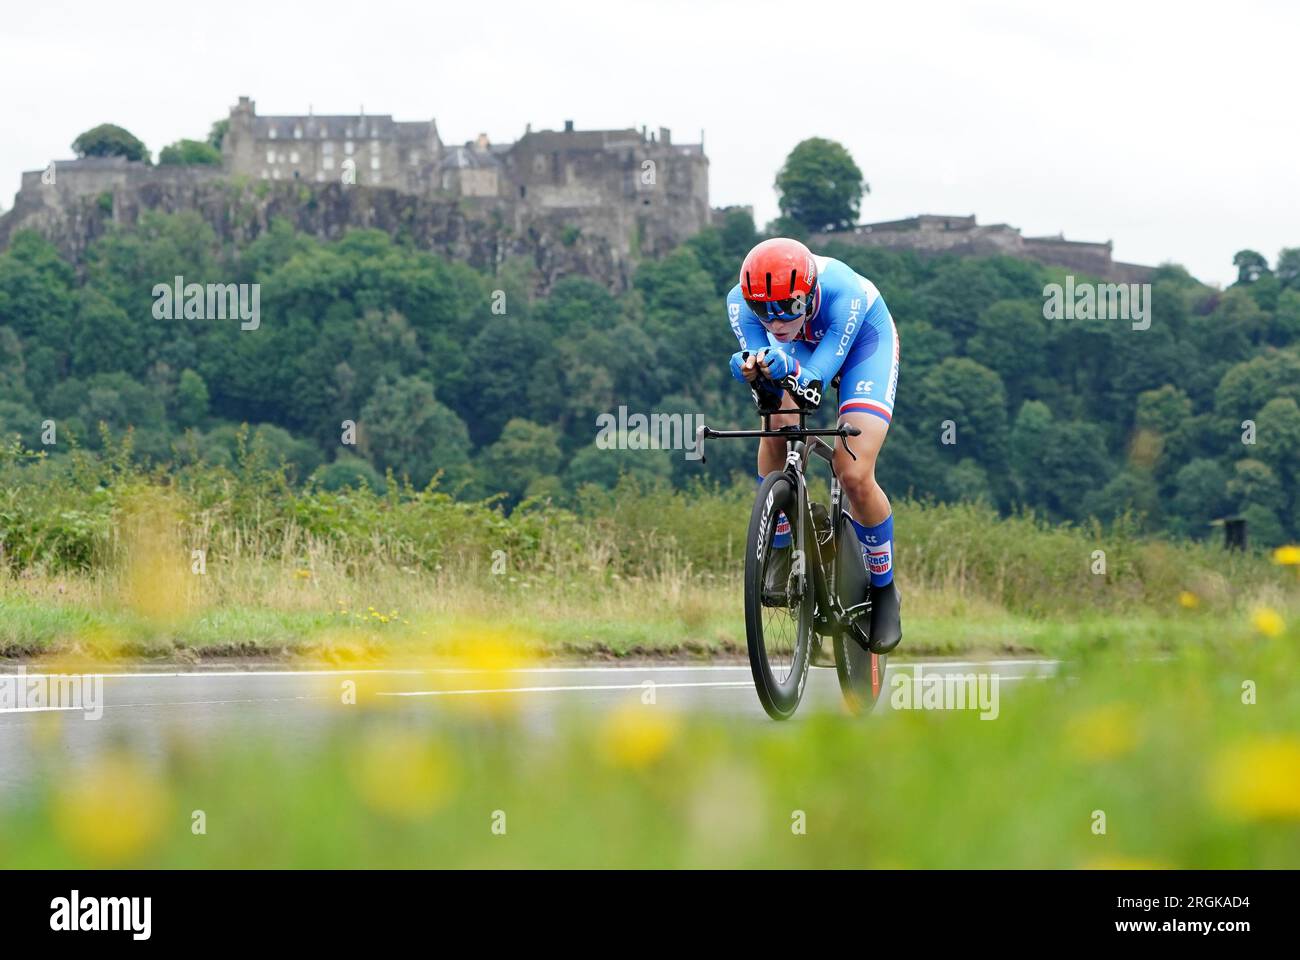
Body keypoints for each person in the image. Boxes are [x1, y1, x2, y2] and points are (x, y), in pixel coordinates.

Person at [727, 237, 901, 652]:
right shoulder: (740, 303)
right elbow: (766, 369)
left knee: (854, 471)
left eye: (787, 306)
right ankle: (782, 545)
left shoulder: (844, 291)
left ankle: (884, 590)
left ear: (808, 292)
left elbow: (813, 383)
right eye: (761, 310)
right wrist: (754, 370)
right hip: (802, 349)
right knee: (777, 425)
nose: (774, 320)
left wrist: (791, 369)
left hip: (860, 344)